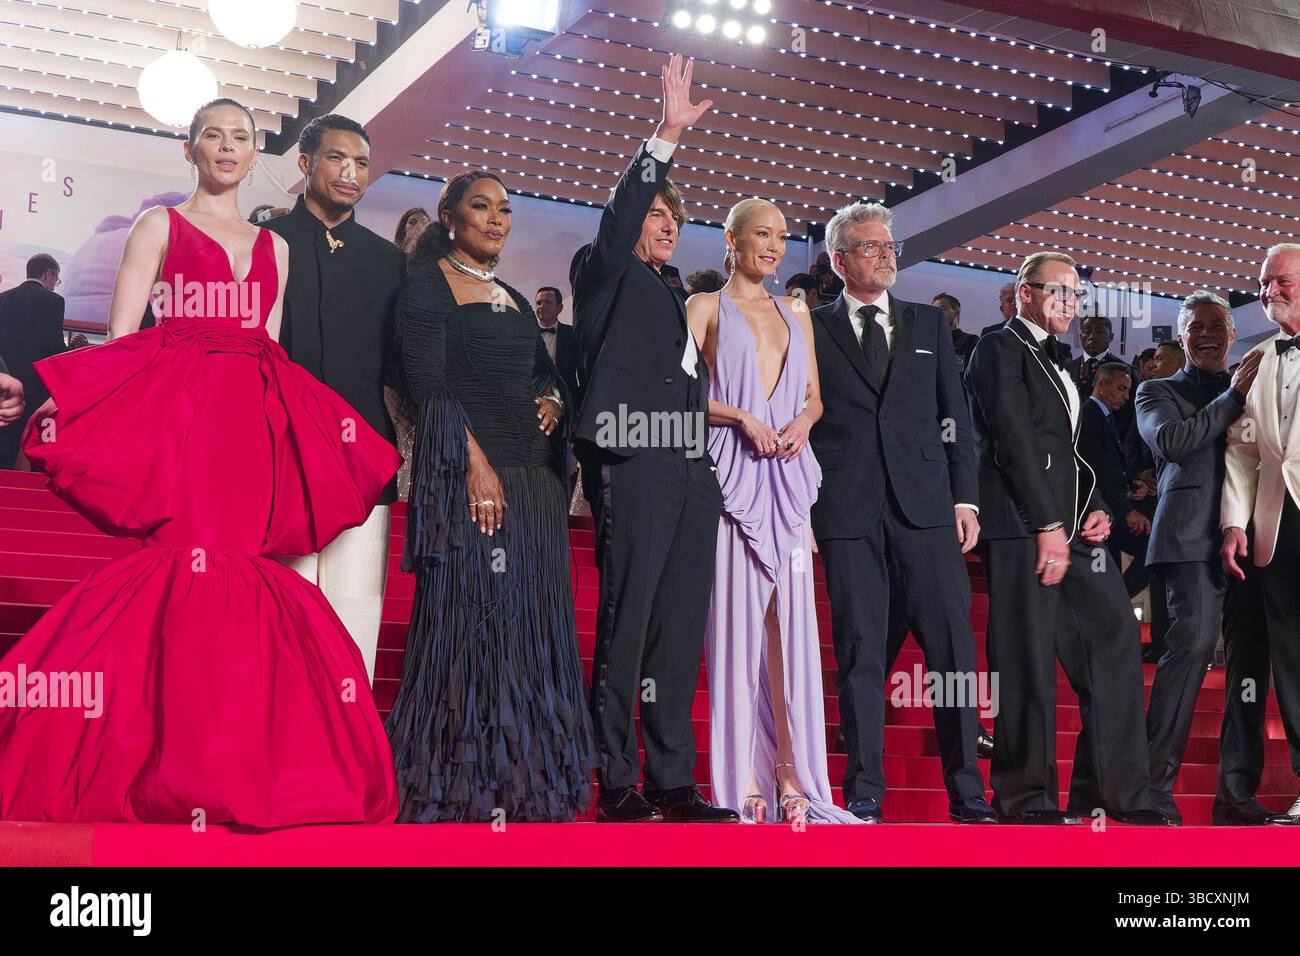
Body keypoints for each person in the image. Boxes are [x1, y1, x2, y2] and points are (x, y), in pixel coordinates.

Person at [0, 98, 400, 825]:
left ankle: (233, 764)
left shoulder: (276, 246)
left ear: (255, 157)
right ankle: (163, 765)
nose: (227, 146)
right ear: (190, 150)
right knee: (189, 565)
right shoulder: (159, 225)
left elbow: (269, 348)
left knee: (244, 573)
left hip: (250, 421)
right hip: (186, 415)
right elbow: (123, 339)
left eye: (241, 137)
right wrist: (76, 402)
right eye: (212, 135)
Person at [384, 169, 596, 822]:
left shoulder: (506, 292)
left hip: (532, 487)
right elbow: (427, 388)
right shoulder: (424, 287)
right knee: (471, 627)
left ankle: (524, 780)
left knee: (528, 632)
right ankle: (457, 780)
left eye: (505, 209)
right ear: (450, 217)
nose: (498, 219)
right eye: (482, 207)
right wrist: (473, 464)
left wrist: (556, 399)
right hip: (474, 483)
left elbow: (546, 372)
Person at [570, 55, 737, 824]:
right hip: (632, 454)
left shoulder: (676, 291)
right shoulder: (602, 271)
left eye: (676, 221)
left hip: (687, 465)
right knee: (629, 618)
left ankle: (672, 779)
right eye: (656, 217)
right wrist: (664, 135)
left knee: (679, 626)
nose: (667, 228)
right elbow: (621, 214)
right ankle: (616, 778)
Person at [965, 250, 1168, 825]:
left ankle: (1113, 793)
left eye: (1076, 295)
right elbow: (1013, 442)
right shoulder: (997, 348)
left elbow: (1071, 454)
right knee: (1024, 658)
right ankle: (1026, 800)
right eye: (1058, 291)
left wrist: (1098, 508)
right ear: (1023, 292)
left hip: (1074, 528)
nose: (1069, 304)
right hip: (1022, 527)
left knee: (1116, 640)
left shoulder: (1066, 363)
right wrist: (1047, 525)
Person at [809, 201, 995, 825]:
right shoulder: (811, 326)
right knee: (861, 650)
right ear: (838, 261)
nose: (886, 254)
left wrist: (965, 498)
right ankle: (864, 791)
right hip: (847, 509)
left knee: (953, 654)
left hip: (928, 510)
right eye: (870, 246)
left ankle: (969, 792)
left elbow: (957, 420)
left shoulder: (927, 325)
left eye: (889, 245)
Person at [688, 198, 859, 824]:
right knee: (736, 633)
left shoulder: (797, 311)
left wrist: (798, 424)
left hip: (787, 480)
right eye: (762, 234)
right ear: (731, 239)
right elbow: (679, 396)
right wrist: (741, 416)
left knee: (788, 633)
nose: (774, 247)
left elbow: (815, 398)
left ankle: (791, 772)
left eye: (782, 237)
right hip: (731, 478)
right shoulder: (704, 307)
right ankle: (739, 781)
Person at [262, 114, 405, 686]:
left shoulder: (388, 261)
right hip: (280, 450)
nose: (350, 173)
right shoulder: (268, 241)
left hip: (362, 455)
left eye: (362, 163)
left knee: (356, 607)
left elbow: (405, 364)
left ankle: (347, 744)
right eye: (337, 159)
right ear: (305, 164)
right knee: (281, 604)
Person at [1134, 291, 1277, 826]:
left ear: (1234, 333)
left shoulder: (1258, 386)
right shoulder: (1157, 390)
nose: (1209, 333)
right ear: (1181, 336)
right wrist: (1232, 397)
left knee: (1250, 667)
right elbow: (1173, 442)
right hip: (1191, 542)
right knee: (1190, 650)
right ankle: (1151, 790)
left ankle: (1236, 797)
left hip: (1256, 541)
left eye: (1219, 323)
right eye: (1197, 326)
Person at [1221, 242, 1300, 825]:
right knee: (1292, 663)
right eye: (1263, 283)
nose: (1268, 292)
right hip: (1277, 528)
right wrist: (1232, 524)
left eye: (1281, 282)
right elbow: (1243, 454)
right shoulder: (1259, 358)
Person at [0, 255, 88, 469]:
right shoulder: (53, 301)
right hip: (35, 386)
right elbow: (53, 348)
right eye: (55, 280)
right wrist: (75, 349)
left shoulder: (3, 298)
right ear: (48, 274)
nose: (54, 286)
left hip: (4, 383)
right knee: (29, 443)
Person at [933, 292, 978, 373]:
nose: (936, 314)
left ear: (955, 312)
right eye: (933, 310)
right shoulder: (929, 342)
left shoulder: (970, 341)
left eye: (941, 309)